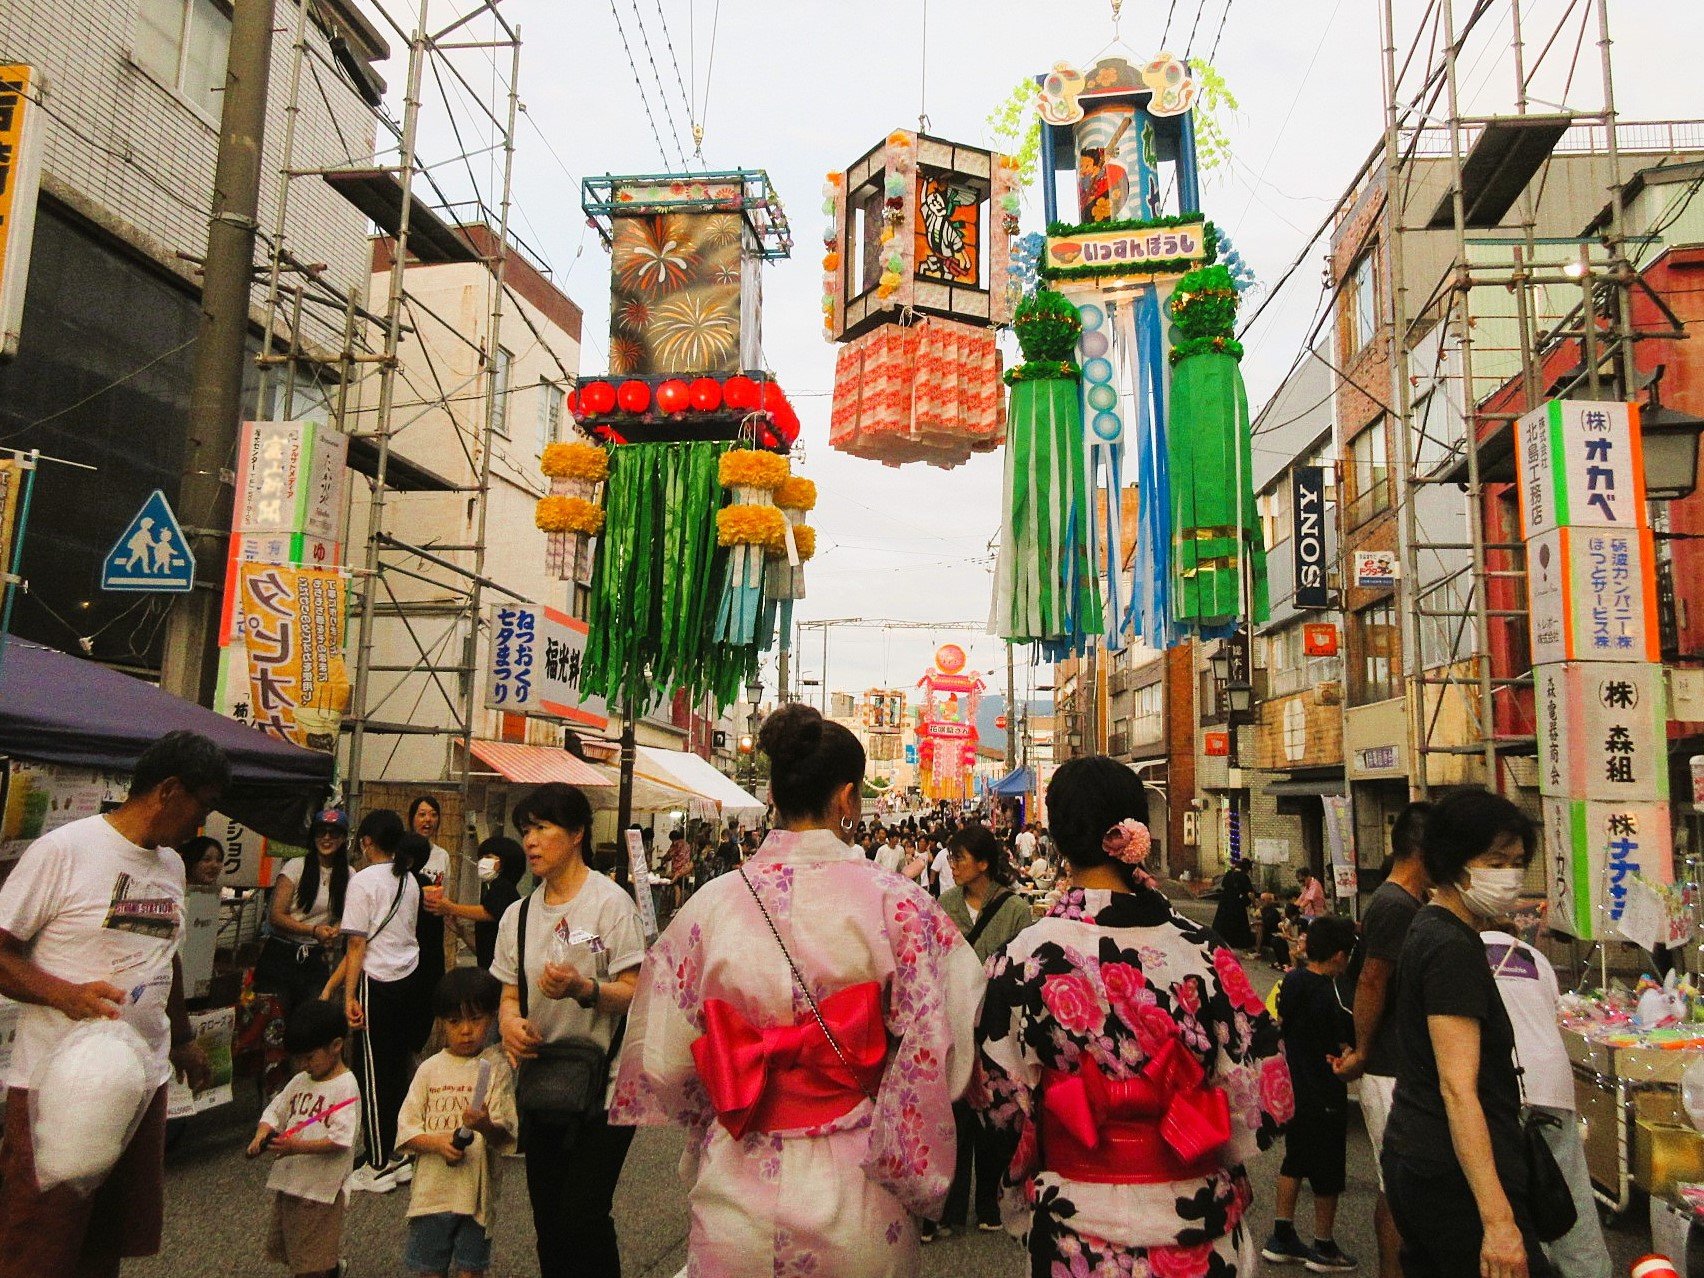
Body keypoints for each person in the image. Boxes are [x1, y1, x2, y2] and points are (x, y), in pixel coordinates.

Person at [612, 703, 985, 1276]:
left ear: (774, 795)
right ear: (848, 798)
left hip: (739, 1189)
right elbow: (944, 1040)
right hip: (857, 1188)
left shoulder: (711, 906)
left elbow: (663, 1061)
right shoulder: (899, 904)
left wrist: (725, 1102)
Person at [974, 756, 1289, 1277]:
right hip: (1199, 1218)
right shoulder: (1204, 950)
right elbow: (1264, 1091)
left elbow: (998, 1103)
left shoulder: (1022, 961)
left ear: (1059, 838)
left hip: (1077, 1228)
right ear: (1134, 831)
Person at [0, 730, 227, 1277]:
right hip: (59, 1089)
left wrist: (183, 1038)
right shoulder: (64, 850)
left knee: (105, 1243)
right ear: (168, 790)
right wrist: (66, 995)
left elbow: (164, 953)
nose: (201, 825)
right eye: (202, 807)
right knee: (38, 1248)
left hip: (139, 1085)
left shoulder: (171, 866)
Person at [1380, 788, 1551, 1278]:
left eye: (1517, 863)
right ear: (1453, 861)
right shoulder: (1450, 946)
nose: (1510, 876)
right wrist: (1497, 1221)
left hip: (1419, 1154)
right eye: (1495, 862)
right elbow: (1458, 1088)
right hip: (1452, 1173)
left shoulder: (1432, 928)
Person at [492, 783, 645, 1278]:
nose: (530, 841)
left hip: (607, 1087)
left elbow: (636, 991)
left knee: (582, 1216)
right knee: (549, 1220)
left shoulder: (611, 905)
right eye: (525, 830)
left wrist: (584, 989)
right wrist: (510, 1025)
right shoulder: (517, 916)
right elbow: (509, 994)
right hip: (544, 1084)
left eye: (542, 828)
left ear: (577, 833)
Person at [1333, 802, 1430, 1278]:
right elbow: (1372, 980)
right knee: (1400, 1187)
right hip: (1389, 1067)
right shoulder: (1396, 906)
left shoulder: (1402, 903)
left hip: (1397, 1065)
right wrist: (1363, 1050)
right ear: (1424, 849)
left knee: (1404, 1186)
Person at [1481, 928, 1610, 1278]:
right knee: (1567, 1192)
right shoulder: (1533, 957)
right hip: (1551, 1083)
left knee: (1503, 1194)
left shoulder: (1461, 949)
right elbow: (1552, 1010)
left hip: (1499, 1086)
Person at [931, 824, 1032, 1242]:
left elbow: (1023, 970)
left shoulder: (1015, 910)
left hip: (995, 1027)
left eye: (959, 858)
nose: (952, 865)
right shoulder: (945, 904)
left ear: (984, 864)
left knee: (995, 1116)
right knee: (955, 1114)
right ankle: (950, 1208)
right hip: (954, 1023)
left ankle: (990, 1202)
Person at [397, 967, 518, 1278]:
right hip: (431, 1195)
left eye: (475, 1019)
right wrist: (438, 1143)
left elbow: (505, 1137)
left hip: (475, 1198)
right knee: (429, 1270)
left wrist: (485, 1124)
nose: (466, 1030)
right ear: (441, 1023)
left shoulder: (496, 1069)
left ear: (492, 1018)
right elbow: (406, 1130)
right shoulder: (429, 1069)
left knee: (470, 1271)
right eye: (455, 1021)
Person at [1263, 914, 1358, 1271]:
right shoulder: (1332, 995)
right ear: (1338, 956)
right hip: (1324, 1090)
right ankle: (1324, 1245)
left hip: (1293, 1086)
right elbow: (1348, 1039)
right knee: (1328, 1171)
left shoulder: (1292, 981)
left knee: (1295, 1159)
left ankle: (1282, 1235)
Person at [338, 808, 422, 1193]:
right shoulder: (410, 881)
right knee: (397, 1069)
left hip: (376, 980)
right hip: (409, 978)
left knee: (371, 1073)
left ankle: (376, 1162)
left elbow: (356, 944)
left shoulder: (363, 881)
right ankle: (398, 1151)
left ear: (367, 842)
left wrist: (348, 994)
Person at [249, 999, 361, 1278]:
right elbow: (276, 1110)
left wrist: (295, 1146)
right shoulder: (301, 1080)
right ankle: (331, 1269)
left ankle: (328, 1269)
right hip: (292, 1183)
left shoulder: (345, 1086)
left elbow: (341, 1138)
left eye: (310, 1057)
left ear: (336, 1046)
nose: (303, 1065)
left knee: (310, 1260)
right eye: (299, 1059)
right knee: (299, 1252)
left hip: (321, 1191)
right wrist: (262, 1133)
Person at [256, 810, 349, 1016]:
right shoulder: (295, 866)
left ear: (343, 838)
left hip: (316, 958)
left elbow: (349, 914)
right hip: (281, 954)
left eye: (333, 833)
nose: (326, 838)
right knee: (273, 1021)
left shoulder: (349, 874)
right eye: (321, 832)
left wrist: (336, 929)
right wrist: (313, 930)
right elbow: (276, 916)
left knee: (309, 1020)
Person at [426, 836, 525, 971]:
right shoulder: (491, 890)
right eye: (481, 857)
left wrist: (450, 908)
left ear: (504, 862)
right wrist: (462, 931)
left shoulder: (503, 887)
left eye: (488, 857)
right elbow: (482, 950)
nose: (482, 862)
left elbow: (489, 912)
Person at [1212, 857, 1256, 950]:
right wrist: (1254, 904)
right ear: (1246, 869)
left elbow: (1223, 885)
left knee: (1223, 921)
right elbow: (1250, 894)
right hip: (1237, 904)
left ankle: (1222, 940)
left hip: (1225, 902)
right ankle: (1238, 942)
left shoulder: (1229, 874)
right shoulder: (1244, 877)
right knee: (1238, 923)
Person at [408, 795, 452, 884]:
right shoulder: (398, 851)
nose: (428, 819)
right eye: (422, 814)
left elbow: (444, 890)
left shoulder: (443, 856)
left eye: (433, 815)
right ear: (412, 818)